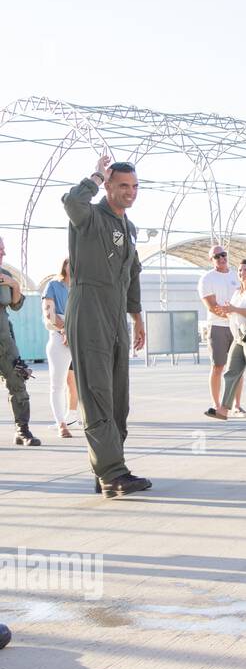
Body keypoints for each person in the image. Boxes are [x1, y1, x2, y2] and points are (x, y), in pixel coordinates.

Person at [62, 158, 149, 497]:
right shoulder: (90, 217)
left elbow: (133, 274)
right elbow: (72, 202)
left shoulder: (128, 227)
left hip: (116, 315)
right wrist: (96, 175)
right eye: (123, 185)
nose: (130, 192)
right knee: (97, 393)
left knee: (117, 399)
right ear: (109, 186)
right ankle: (112, 474)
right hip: (89, 309)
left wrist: (137, 316)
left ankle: (109, 467)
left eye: (135, 186)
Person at [206, 259, 246, 420]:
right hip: (240, 337)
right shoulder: (237, 292)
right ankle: (223, 409)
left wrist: (234, 309)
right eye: (240, 270)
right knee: (231, 371)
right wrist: (227, 311)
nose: (242, 273)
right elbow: (234, 313)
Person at [198, 244, 244, 417]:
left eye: (223, 254)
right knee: (218, 366)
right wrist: (231, 316)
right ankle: (217, 405)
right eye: (216, 256)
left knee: (237, 368)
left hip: (237, 328)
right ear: (211, 260)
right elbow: (211, 306)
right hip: (217, 327)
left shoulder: (236, 276)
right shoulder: (207, 279)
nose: (221, 258)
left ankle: (237, 406)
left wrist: (239, 318)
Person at [0, 237, 38, 445]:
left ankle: (22, 430)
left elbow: (15, 305)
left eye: (3, 249)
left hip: (5, 341)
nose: (3, 253)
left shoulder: (5, 275)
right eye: (0, 249)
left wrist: (13, 284)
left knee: (17, 381)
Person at [42, 258, 78, 438]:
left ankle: (77, 416)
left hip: (81, 337)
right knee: (58, 384)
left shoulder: (83, 286)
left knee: (79, 383)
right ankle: (61, 424)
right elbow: (48, 314)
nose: (72, 265)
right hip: (59, 338)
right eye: (69, 262)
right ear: (63, 266)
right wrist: (64, 328)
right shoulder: (53, 285)